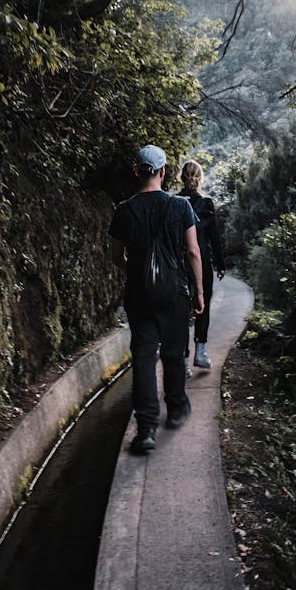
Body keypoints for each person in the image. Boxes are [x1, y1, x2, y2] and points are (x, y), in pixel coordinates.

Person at [109, 145, 206, 452]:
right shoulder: (180, 206)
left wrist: (138, 271)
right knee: (174, 353)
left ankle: (146, 429)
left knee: (143, 358)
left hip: (139, 296)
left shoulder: (124, 210)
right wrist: (199, 291)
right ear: (163, 172)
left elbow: (114, 255)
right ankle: (176, 409)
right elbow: (193, 252)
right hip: (175, 293)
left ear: (137, 171)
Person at [177, 160, 226, 375]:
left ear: (181, 177)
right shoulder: (206, 203)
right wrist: (221, 263)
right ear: (200, 177)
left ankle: (183, 361)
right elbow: (214, 237)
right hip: (202, 261)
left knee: (181, 309)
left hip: (179, 261)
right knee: (202, 303)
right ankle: (201, 352)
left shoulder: (173, 201)